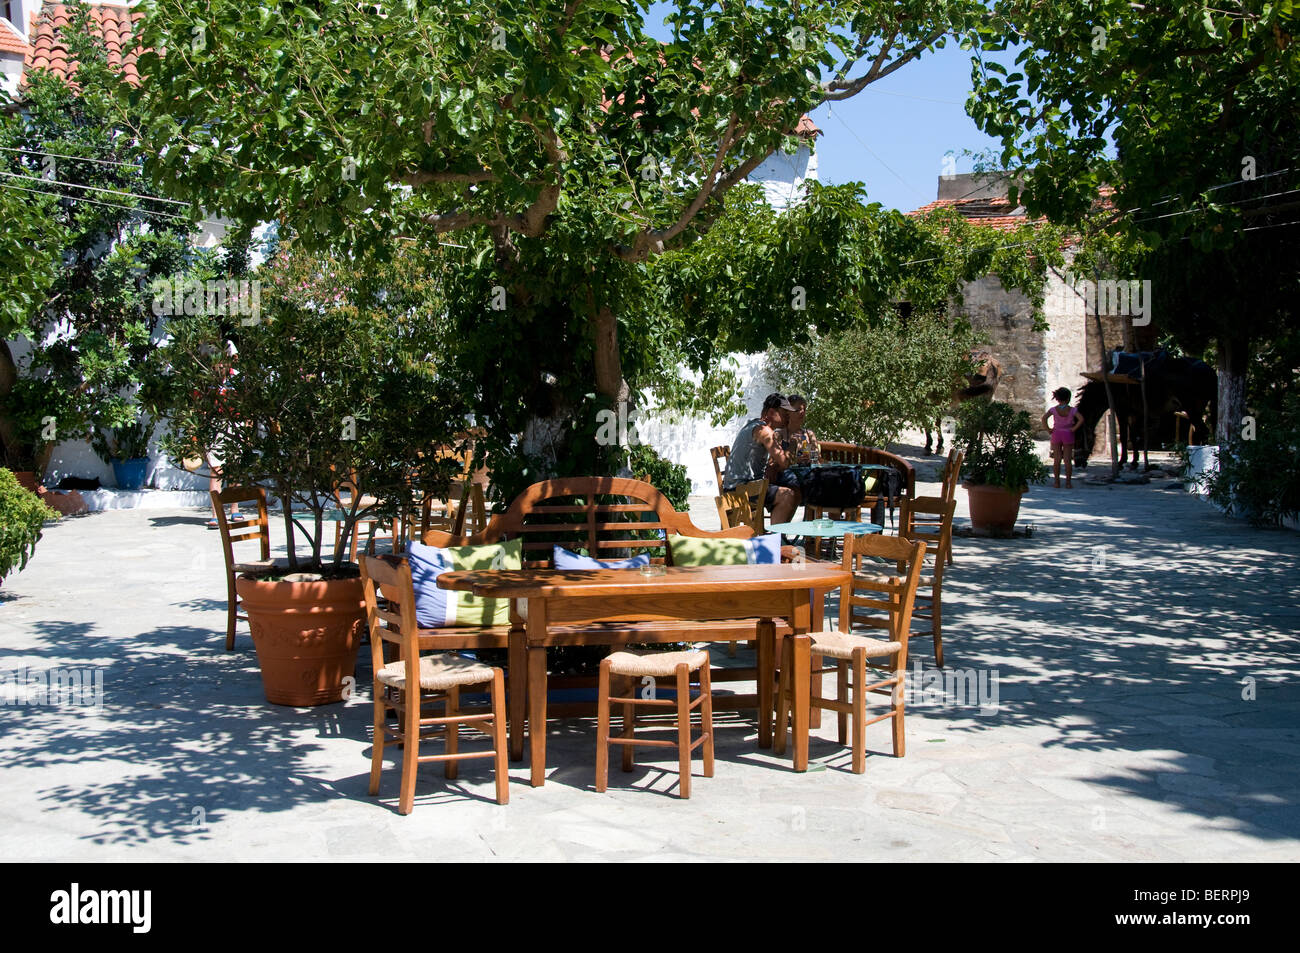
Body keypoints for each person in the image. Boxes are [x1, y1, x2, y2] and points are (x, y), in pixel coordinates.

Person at [721, 393, 800, 523]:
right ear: (771, 412)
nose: (788, 417)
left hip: (738, 486)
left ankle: (779, 535)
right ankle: (776, 539)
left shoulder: (755, 425)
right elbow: (785, 462)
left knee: (796, 493)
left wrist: (772, 467)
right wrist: (793, 444)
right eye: (784, 413)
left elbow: (768, 460)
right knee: (788, 495)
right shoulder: (764, 431)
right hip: (740, 491)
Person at [1042, 386, 1084, 488]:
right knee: (1067, 460)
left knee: (1056, 460)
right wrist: (1073, 429)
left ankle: (1056, 482)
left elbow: (1044, 418)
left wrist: (1048, 429)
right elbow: (1081, 419)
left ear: (1057, 398)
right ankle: (1068, 483)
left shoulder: (1053, 410)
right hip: (1068, 434)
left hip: (1056, 434)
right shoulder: (1072, 410)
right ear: (1068, 398)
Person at [783, 394, 820, 465]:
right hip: (788, 473)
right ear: (788, 412)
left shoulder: (809, 434)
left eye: (804, 409)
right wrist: (796, 460)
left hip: (808, 471)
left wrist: (810, 457)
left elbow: (816, 457)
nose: (803, 412)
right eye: (798, 409)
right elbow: (775, 462)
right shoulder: (780, 434)